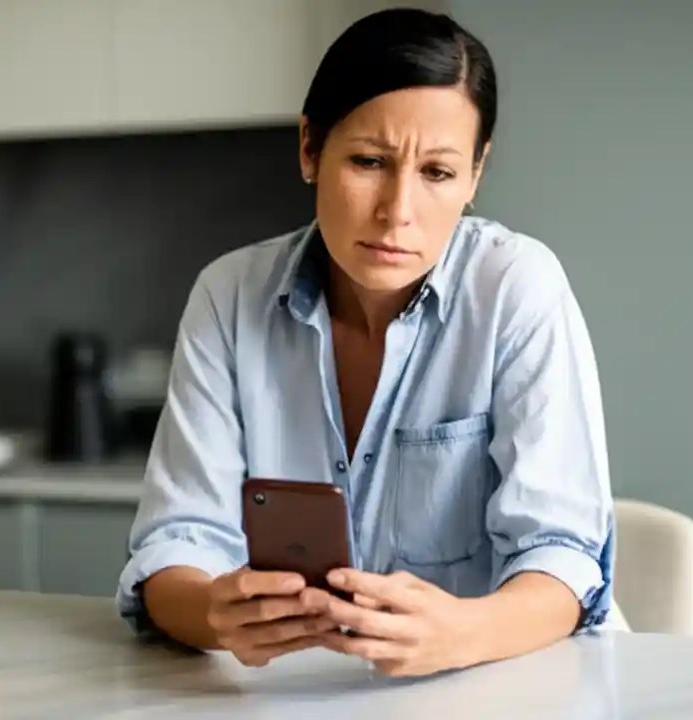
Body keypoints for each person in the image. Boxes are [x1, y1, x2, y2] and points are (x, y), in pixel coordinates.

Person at [116, 7, 617, 677]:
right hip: (301, 693)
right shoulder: (229, 296)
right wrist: (215, 614)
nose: (396, 211)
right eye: (369, 161)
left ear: (475, 174)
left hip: (513, 686)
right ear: (310, 149)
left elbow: (565, 556)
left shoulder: (515, 288)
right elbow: (174, 547)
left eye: (437, 173)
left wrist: (460, 632)